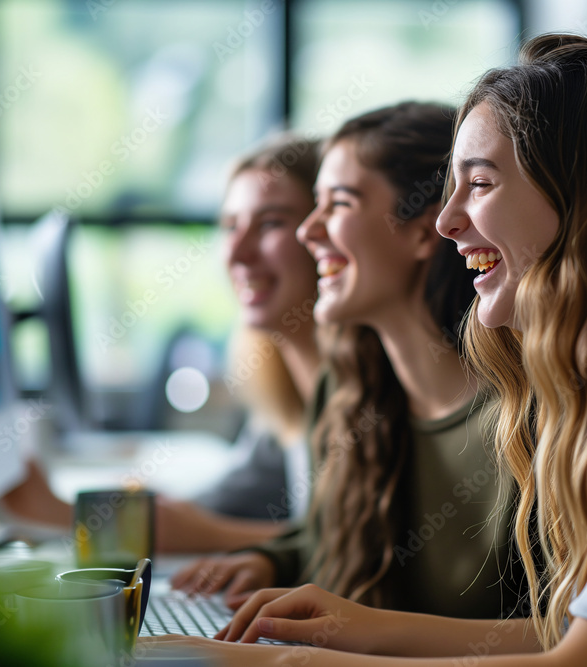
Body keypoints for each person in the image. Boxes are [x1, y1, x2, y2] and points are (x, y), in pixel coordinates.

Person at [146, 34, 587, 666]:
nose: (448, 221)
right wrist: (357, 627)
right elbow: (582, 632)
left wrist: (287, 661)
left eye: (480, 183)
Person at [172, 101, 528, 618]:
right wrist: (274, 560)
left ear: (423, 231)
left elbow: (570, 634)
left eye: (339, 204)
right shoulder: (351, 392)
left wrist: (346, 634)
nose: (308, 231)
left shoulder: (525, 416)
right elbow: (330, 537)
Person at [0, 134, 324, 554]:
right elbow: (231, 498)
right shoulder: (283, 382)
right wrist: (122, 512)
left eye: (271, 223)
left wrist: (69, 515)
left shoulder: (359, 393)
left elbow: (349, 550)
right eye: (229, 226)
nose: (237, 252)